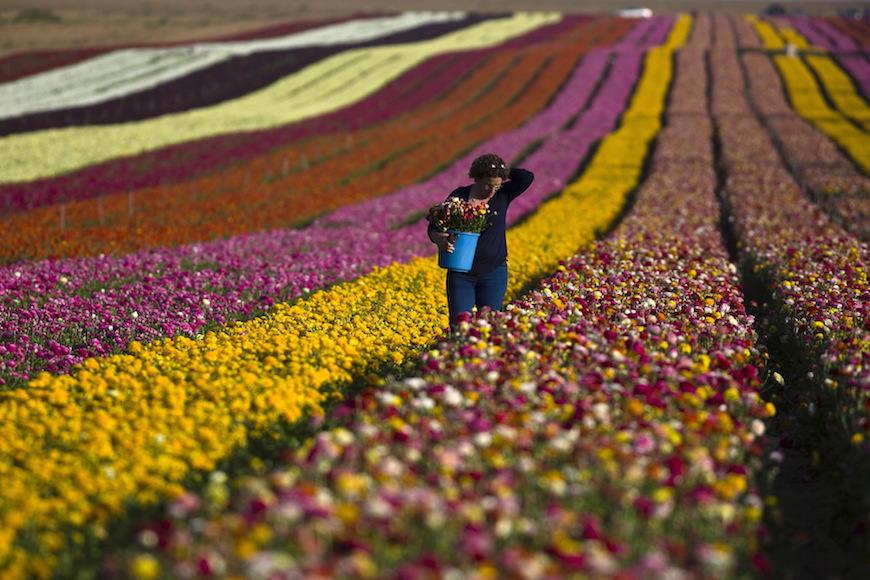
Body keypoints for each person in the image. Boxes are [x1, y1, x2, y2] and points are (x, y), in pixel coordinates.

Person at [428, 153, 534, 332]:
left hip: (494, 271)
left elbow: (526, 177)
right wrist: (439, 239)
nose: (492, 190)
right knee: (460, 326)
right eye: (488, 185)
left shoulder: (503, 195)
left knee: (490, 325)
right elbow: (435, 225)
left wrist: (500, 170)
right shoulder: (459, 196)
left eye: (496, 185)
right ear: (477, 177)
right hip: (461, 273)